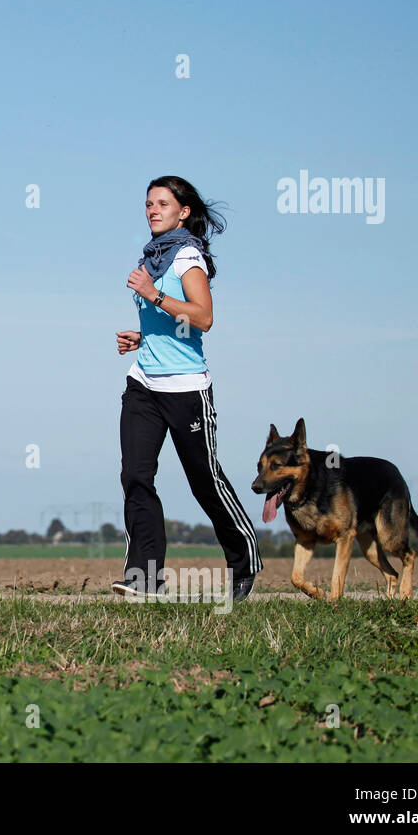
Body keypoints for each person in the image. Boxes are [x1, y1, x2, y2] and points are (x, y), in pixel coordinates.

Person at [113, 176, 261, 601]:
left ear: (184, 212)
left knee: (204, 480)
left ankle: (244, 559)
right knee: (136, 475)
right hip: (144, 385)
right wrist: (142, 339)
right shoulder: (151, 258)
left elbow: (203, 317)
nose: (153, 210)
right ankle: (144, 578)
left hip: (186, 390)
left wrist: (153, 294)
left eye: (162, 203)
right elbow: (174, 325)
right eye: (148, 204)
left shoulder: (187, 257)